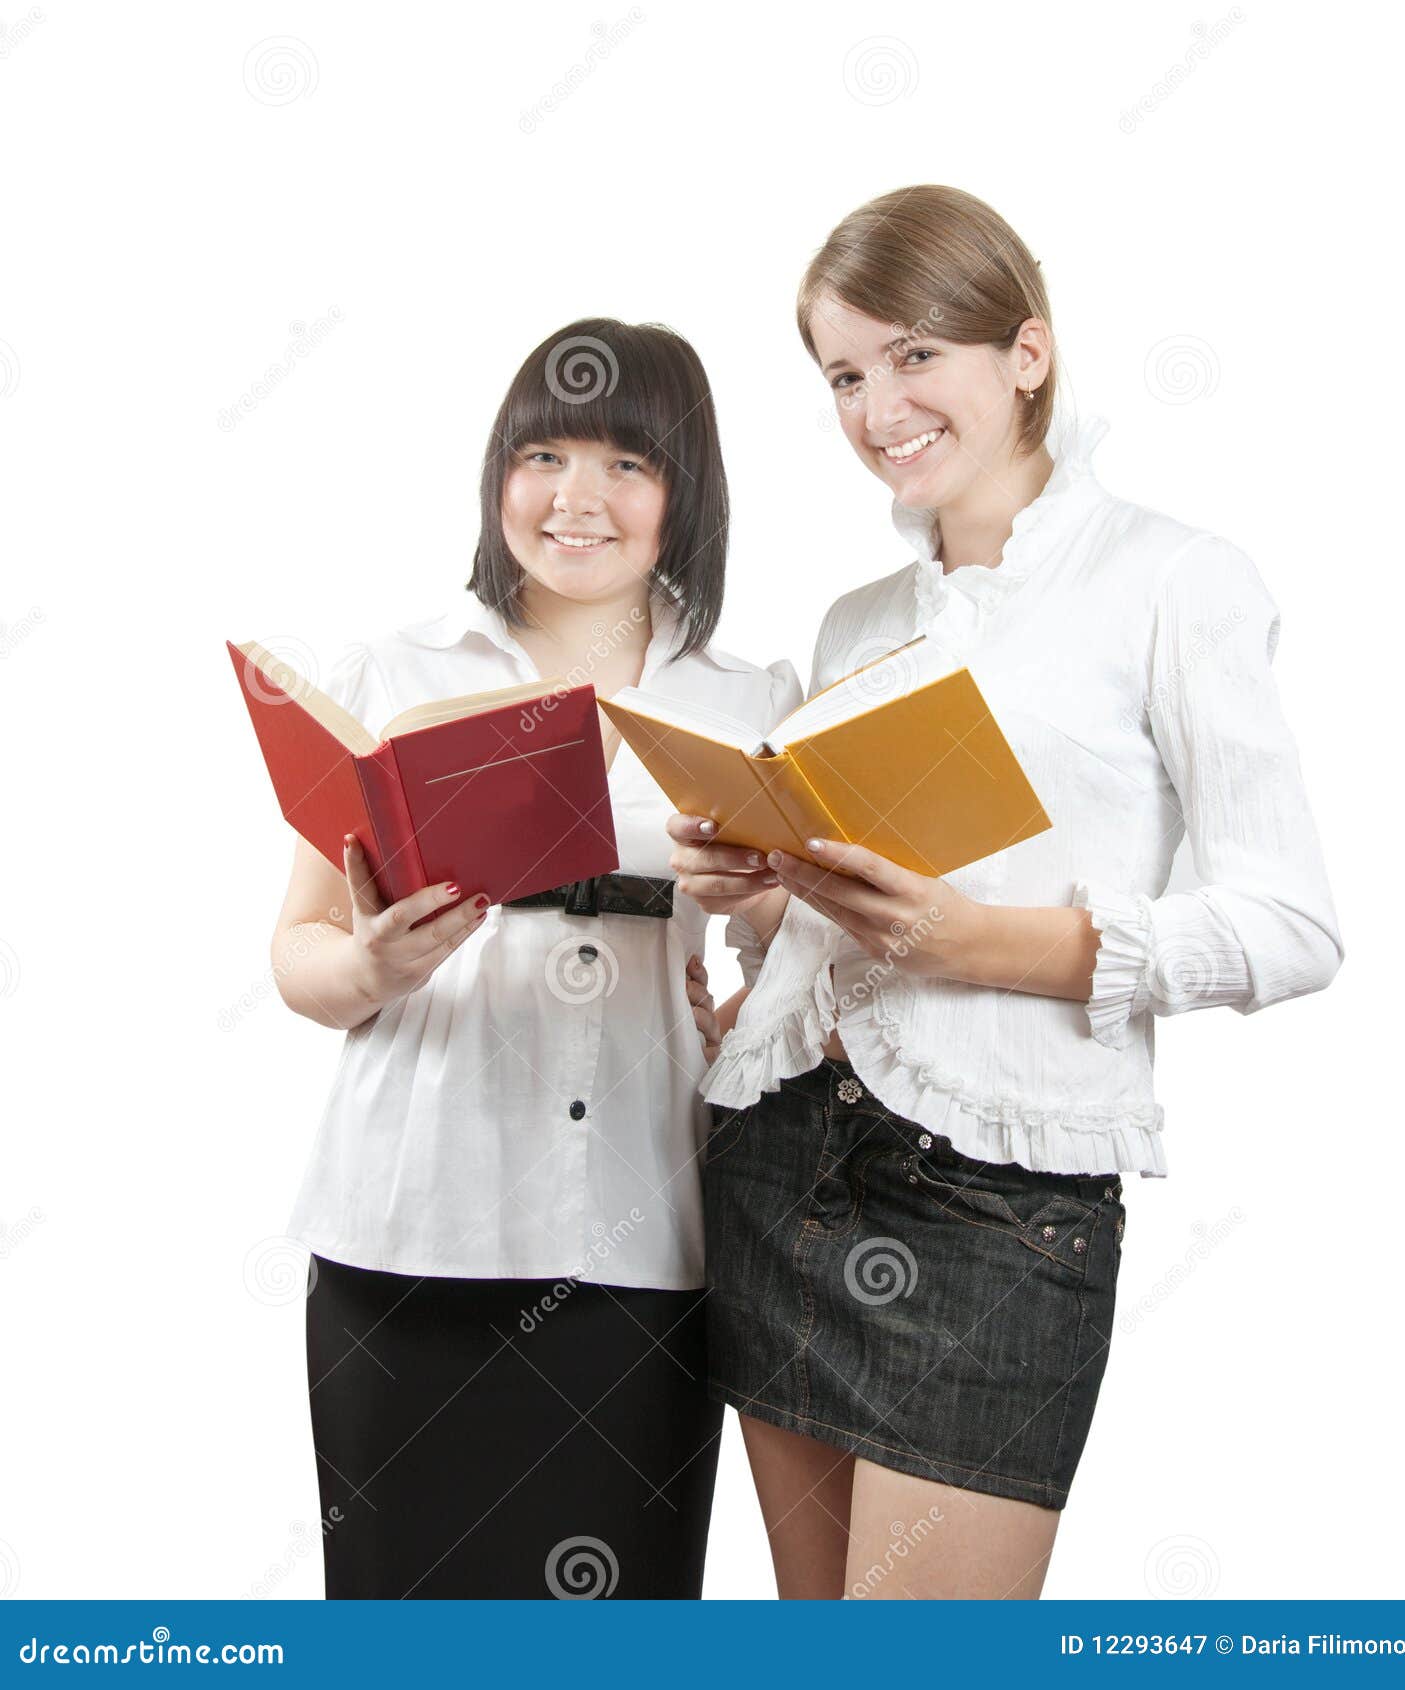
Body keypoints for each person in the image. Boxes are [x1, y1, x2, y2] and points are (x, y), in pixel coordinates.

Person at [667, 186, 1344, 1600]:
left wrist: (981, 942)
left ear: (1023, 354)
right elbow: (824, 920)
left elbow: (1288, 924)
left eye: (913, 356)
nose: (875, 406)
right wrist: (756, 880)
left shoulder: (1172, 580)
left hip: (996, 1200)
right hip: (784, 1153)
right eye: (844, 374)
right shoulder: (858, 618)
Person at [270, 318, 799, 1598]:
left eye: (626, 464)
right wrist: (379, 969)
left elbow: (798, 960)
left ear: (685, 494)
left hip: (640, 1241)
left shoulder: (753, 699)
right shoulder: (397, 672)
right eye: (543, 455)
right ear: (497, 473)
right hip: (409, 1234)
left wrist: (752, 951)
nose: (576, 498)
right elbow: (299, 951)